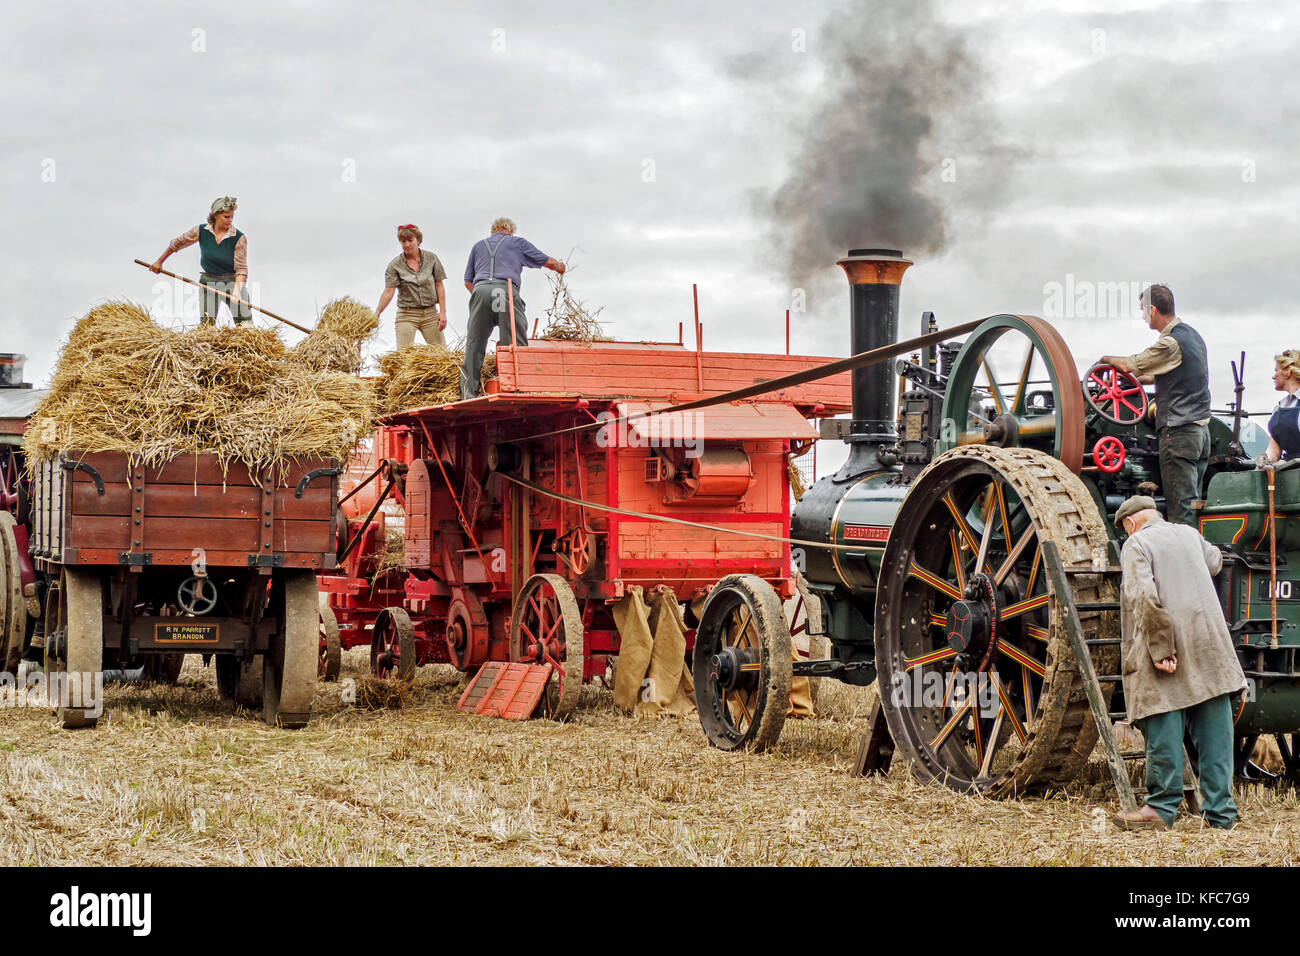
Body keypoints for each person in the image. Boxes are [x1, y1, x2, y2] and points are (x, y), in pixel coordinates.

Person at [1110, 495, 1247, 831]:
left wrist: (1160, 648)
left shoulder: (1136, 544)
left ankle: (1160, 808)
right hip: (1211, 645)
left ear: (1130, 524)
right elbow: (1216, 562)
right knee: (1215, 729)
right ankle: (1221, 813)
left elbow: (1143, 596)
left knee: (1163, 719)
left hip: (1171, 643)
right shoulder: (1188, 533)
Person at [1099, 285, 1211, 527]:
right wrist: (1125, 380)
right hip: (1200, 433)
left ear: (1152, 309)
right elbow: (1159, 374)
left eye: (1142, 310)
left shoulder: (1170, 343)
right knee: (1193, 504)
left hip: (1178, 431)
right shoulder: (1192, 336)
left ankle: (1183, 560)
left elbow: (1131, 364)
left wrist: (1106, 361)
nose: (1142, 315)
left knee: (1180, 510)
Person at [459, 217, 565, 401]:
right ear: (510, 230)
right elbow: (546, 261)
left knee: (474, 345)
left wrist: (482, 298)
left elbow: (468, 281)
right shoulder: (517, 242)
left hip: (480, 290)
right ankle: (518, 387)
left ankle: (468, 393)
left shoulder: (478, 246)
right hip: (505, 289)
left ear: (494, 230)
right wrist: (560, 266)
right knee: (513, 341)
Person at [151, 196, 251, 324]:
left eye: (232, 217)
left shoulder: (239, 238)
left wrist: (237, 292)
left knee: (245, 323)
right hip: (208, 282)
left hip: (232, 282)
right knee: (207, 324)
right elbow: (177, 243)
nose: (230, 220)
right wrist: (159, 262)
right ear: (215, 215)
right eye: (226, 217)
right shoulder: (202, 231)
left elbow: (241, 269)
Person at [376, 224, 448, 348]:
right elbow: (389, 291)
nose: (407, 244)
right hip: (407, 315)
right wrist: (377, 312)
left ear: (418, 240)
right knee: (403, 356)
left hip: (430, 313)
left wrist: (442, 312)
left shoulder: (432, 258)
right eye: (403, 241)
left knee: (442, 353)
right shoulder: (394, 265)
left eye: (410, 240)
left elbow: (439, 285)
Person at [1257, 348, 1300, 466]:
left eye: (1276, 370)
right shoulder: (1279, 408)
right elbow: (1274, 449)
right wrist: (1266, 461)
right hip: (1288, 473)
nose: (1273, 376)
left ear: (1288, 373)